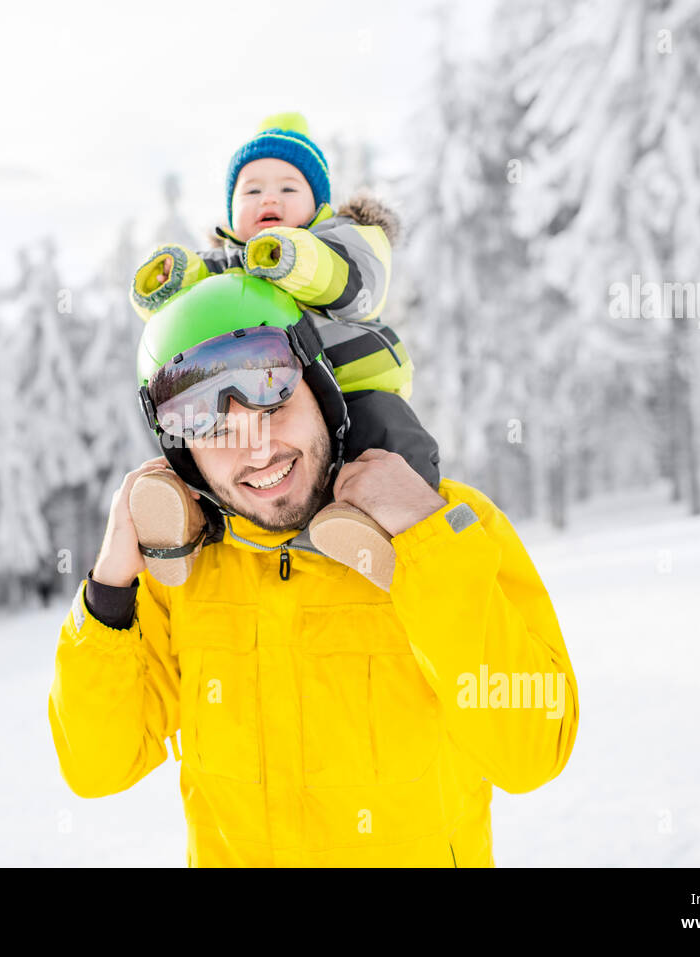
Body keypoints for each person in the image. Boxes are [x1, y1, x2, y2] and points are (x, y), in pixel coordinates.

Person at [48, 274, 579, 867]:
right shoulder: (184, 576)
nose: (255, 451)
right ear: (183, 456)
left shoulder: (452, 525)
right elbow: (96, 766)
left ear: (321, 390)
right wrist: (109, 589)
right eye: (214, 429)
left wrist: (424, 534)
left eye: (271, 399)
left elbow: (533, 750)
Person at [127, 112, 440, 590]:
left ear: (319, 205)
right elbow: (182, 314)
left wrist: (294, 257)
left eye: (288, 189)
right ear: (230, 215)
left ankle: (393, 527)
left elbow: (354, 285)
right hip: (266, 400)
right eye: (251, 191)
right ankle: (184, 526)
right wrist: (167, 281)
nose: (268, 198)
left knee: (387, 443)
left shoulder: (344, 240)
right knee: (214, 444)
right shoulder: (226, 269)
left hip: (357, 387)